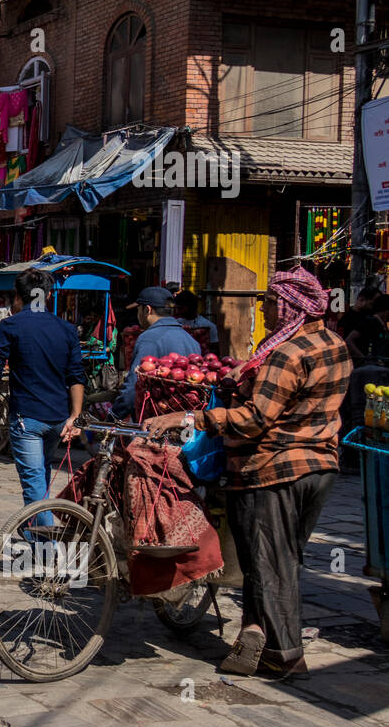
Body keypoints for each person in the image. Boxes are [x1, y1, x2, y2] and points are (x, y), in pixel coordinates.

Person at [144, 267, 352, 679]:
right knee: (284, 560)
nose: (268, 309)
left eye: (273, 302)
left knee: (268, 565)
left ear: (293, 306)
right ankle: (256, 634)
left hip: (273, 470)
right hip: (321, 467)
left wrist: (193, 417)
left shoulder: (286, 354)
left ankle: (286, 655)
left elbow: (255, 419)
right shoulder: (335, 344)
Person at [0, 268, 85, 527]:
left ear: (18, 297)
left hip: (27, 419)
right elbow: (76, 376)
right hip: (58, 418)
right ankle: (36, 529)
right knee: (40, 474)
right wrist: (75, 416)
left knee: (34, 481)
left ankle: (47, 543)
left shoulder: (10, 326)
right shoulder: (66, 329)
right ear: (45, 296)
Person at [111, 287, 201, 420]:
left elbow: (133, 388)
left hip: (155, 424)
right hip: (185, 421)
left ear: (147, 310)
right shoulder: (191, 340)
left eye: (138, 310)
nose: (138, 315)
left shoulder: (149, 338)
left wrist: (114, 415)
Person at [172, 289, 220, 356]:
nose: (177, 311)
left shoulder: (208, 326)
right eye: (177, 308)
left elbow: (214, 351)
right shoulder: (176, 324)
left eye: (181, 308)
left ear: (191, 307)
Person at [346, 293, 389, 364]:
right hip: (368, 369)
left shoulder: (382, 324)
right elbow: (349, 341)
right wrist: (364, 359)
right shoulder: (370, 321)